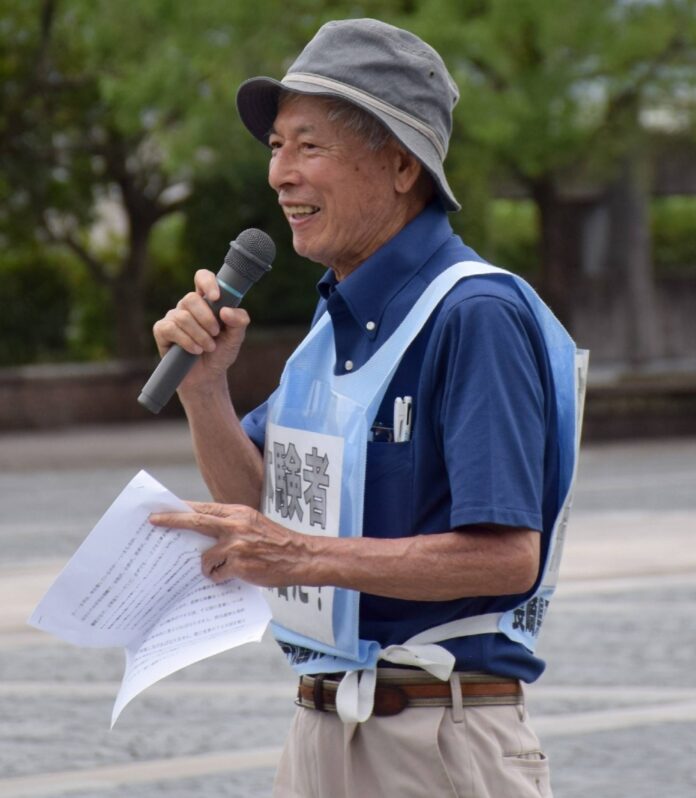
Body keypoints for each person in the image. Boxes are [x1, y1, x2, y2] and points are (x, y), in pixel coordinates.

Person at [150, 18, 586, 798]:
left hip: (439, 740)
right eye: (276, 147)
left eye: (309, 146)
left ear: (400, 165)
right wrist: (205, 388)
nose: (281, 174)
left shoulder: (474, 313)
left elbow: (506, 555)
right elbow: (258, 506)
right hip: (318, 727)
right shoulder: (332, 324)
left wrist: (298, 556)